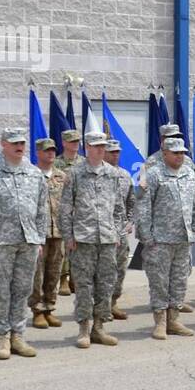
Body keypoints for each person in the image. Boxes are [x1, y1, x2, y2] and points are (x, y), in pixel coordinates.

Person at [0, 126, 50, 360]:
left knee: (22, 289)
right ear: (3, 145)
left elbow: (41, 208)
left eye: (22, 143)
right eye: (14, 142)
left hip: (28, 240)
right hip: (0, 240)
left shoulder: (34, 173)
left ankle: (18, 334)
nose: (19, 147)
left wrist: (39, 238)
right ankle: (2, 336)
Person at [59, 132, 125, 349]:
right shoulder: (76, 174)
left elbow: (118, 209)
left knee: (105, 284)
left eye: (102, 146)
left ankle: (99, 327)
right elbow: (65, 208)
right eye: (96, 146)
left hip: (106, 238)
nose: (100, 149)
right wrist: (68, 236)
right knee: (84, 285)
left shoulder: (112, 174)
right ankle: (84, 329)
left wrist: (116, 233)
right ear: (87, 147)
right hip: (83, 238)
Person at [139, 136, 195, 340]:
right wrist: (147, 237)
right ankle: (160, 322)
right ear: (164, 154)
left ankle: (174, 320)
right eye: (175, 153)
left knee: (179, 281)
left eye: (182, 153)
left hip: (183, 239)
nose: (179, 156)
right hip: (160, 240)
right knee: (159, 281)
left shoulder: (190, 174)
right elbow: (144, 207)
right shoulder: (155, 174)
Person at [29, 138, 66, 329]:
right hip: (38, 233)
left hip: (58, 231)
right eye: (46, 150)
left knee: (54, 272)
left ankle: (50, 308)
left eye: (53, 150)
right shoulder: (31, 175)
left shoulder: (62, 176)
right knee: (38, 274)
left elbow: (68, 204)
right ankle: (37, 310)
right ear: (38, 153)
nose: (51, 153)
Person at [103, 138, 136, 320]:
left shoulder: (125, 175)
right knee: (104, 270)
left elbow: (132, 202)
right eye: (112, 152)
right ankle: (101, 305)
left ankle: (113, 302)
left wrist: (130, 221)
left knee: (120, 269)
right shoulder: (99, 174)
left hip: (121, 232)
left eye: (117, 152)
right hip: (103, 231)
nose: (116, 155)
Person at [54, 128, 83, 297]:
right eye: (72, 142)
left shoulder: (84, 163)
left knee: (79, 246)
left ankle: (75, 278)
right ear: (64, 143)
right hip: (61, 210)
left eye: (77, 142)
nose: (75, 145)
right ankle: (63, 279)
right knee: (64, 247)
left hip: (80, 211)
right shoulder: (56, 164)